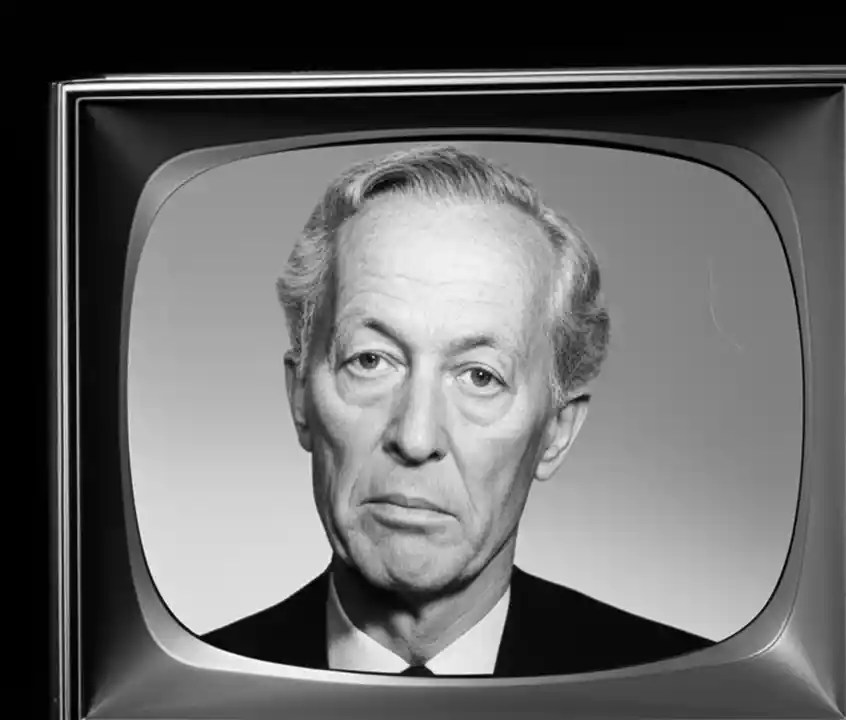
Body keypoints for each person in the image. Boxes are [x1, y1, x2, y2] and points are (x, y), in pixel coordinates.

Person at [203, 145, 712, 677]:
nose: (416, 437)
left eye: (480, 376)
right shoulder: (181, 695)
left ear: (557, 432)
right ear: (300, 396)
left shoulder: (701, 693)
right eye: (371, 360)